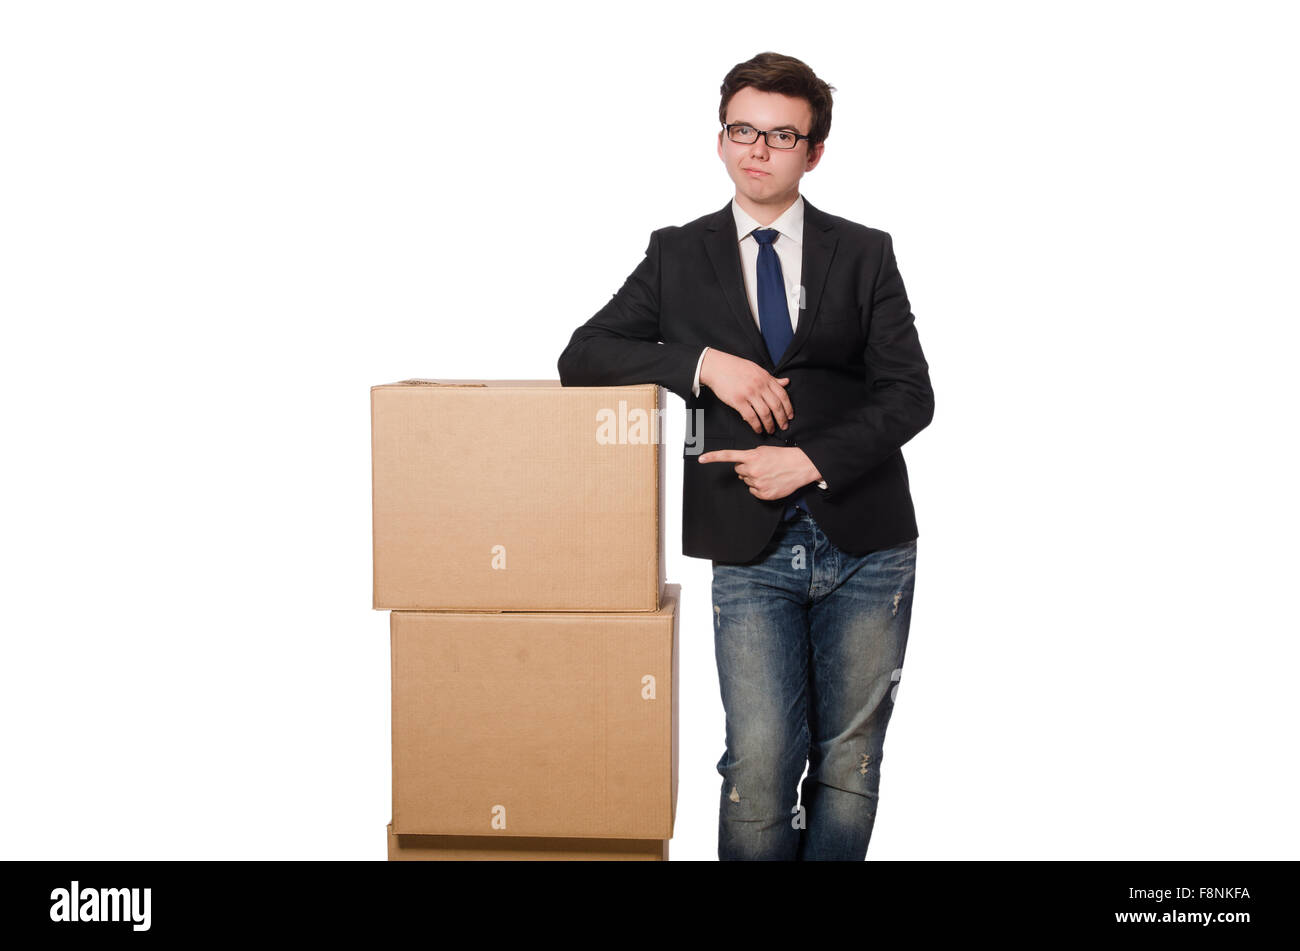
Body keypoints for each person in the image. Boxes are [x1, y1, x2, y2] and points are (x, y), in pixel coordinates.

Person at [557, 51, 934, 860]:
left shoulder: (863, 251)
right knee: (759, 765)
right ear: (721, 139)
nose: (758, 149)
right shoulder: (676, 253)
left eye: (781, 135)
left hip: (868, 543)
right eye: (743, 130)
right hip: (746, 544)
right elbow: (582, 356)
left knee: (849, 764)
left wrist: (811, 460)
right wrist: (701, 365)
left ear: (814, 152)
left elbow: (910, 395)